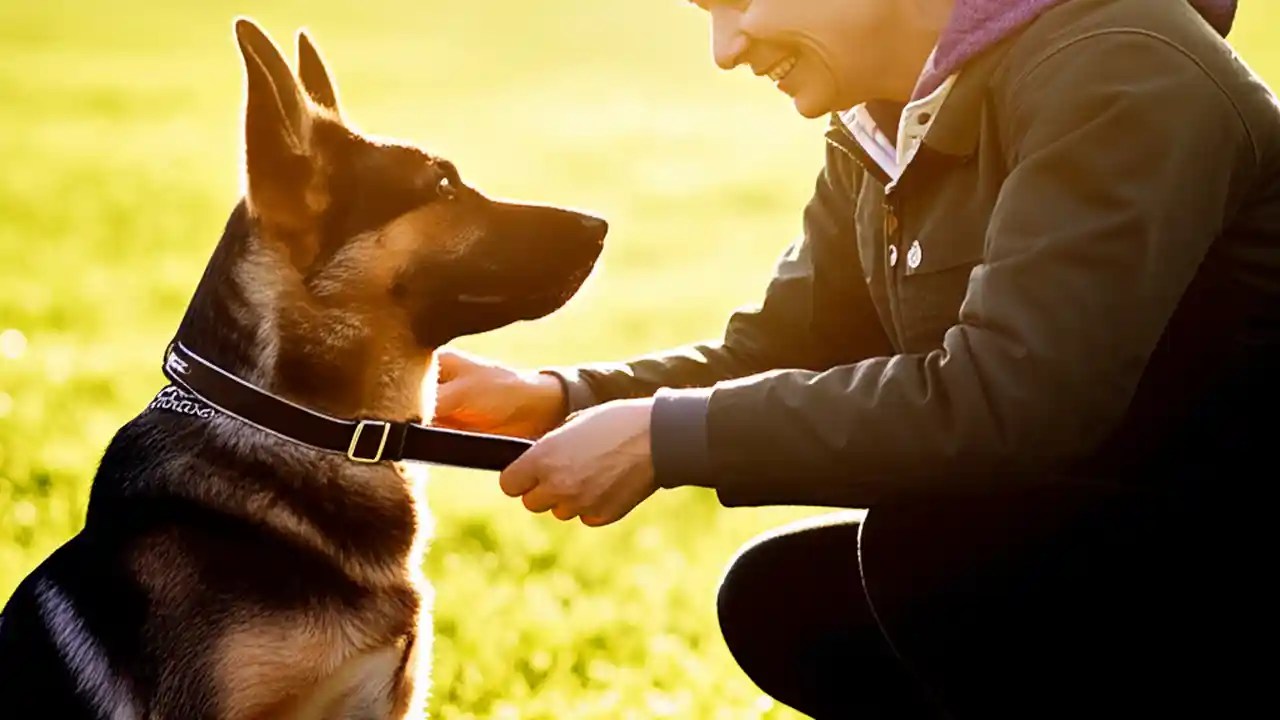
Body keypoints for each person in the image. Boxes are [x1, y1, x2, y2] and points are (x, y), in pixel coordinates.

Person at [435, 0, 1279, 716]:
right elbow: (786, 346)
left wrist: (664, 437)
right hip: (1134, 542)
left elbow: (1012, 401)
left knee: (940, 552)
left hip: (1214, 550)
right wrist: (559, 399)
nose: (726, 51)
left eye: (738, 2)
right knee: (789, 600)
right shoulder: (886, 123)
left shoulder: (1122, 68)